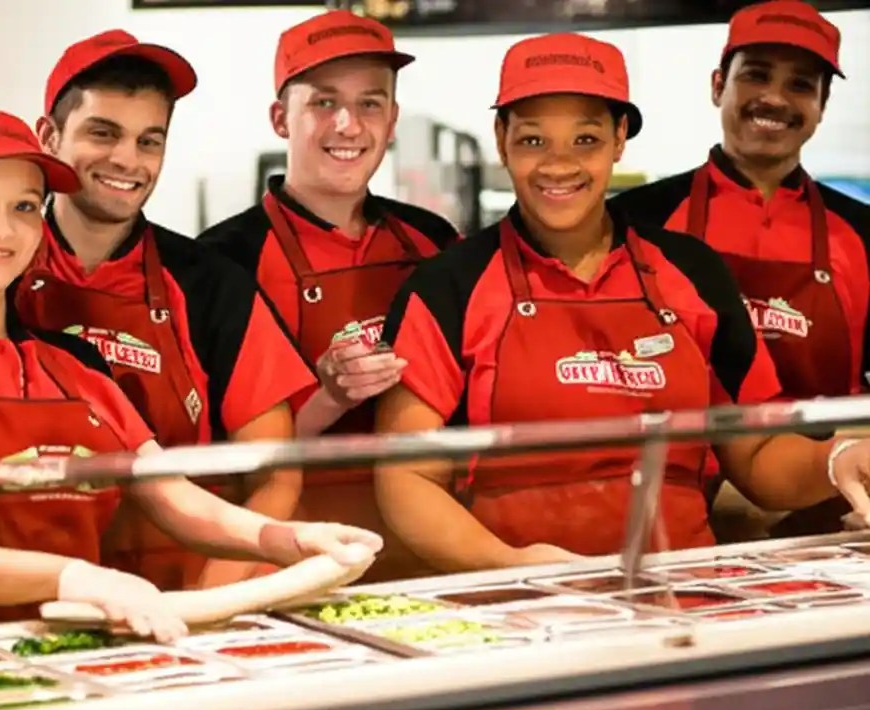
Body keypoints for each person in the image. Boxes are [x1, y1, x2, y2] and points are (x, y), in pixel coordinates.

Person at [0, 109, 381, 638]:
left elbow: (172, 496)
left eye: (24, 207)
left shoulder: (74, 363)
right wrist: (75, 579)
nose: (3, 229)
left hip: (78, 644)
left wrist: (292, 539)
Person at [372, 32, 870, 572]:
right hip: (515, 597)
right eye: (534, 141)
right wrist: (511, 563)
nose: (558, 165)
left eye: (584, 140)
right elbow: (405, 477)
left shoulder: (692, 273)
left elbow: (756, 456)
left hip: (685, 589)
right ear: (501, 138)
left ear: (618, 138)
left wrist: (835, 459)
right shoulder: (450, 285)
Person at [16, 31, 321, 591]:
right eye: (102, 133)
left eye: (148, 141)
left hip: (187, 590)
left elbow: (276, 474)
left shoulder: (209, 284)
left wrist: (212, 601)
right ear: (49, 136)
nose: (127, 160)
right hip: (30, 595)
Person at [198, 11, 460, 583]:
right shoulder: (217, 262)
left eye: (370, 103)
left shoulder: (435, 243)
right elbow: (220, 457)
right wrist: (328, 397)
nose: (348, 124)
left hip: (429, 555)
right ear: (280, 119)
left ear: (392, 120)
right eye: (322, 102)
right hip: (284, 563)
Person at [611, 0, 870, 538]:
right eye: (755, 75)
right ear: (717, 86)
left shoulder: (863, 234)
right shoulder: (636, 220)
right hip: (670, 509)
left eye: (801, 85)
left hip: (821, 507)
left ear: (821, 106)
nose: (775, 97)